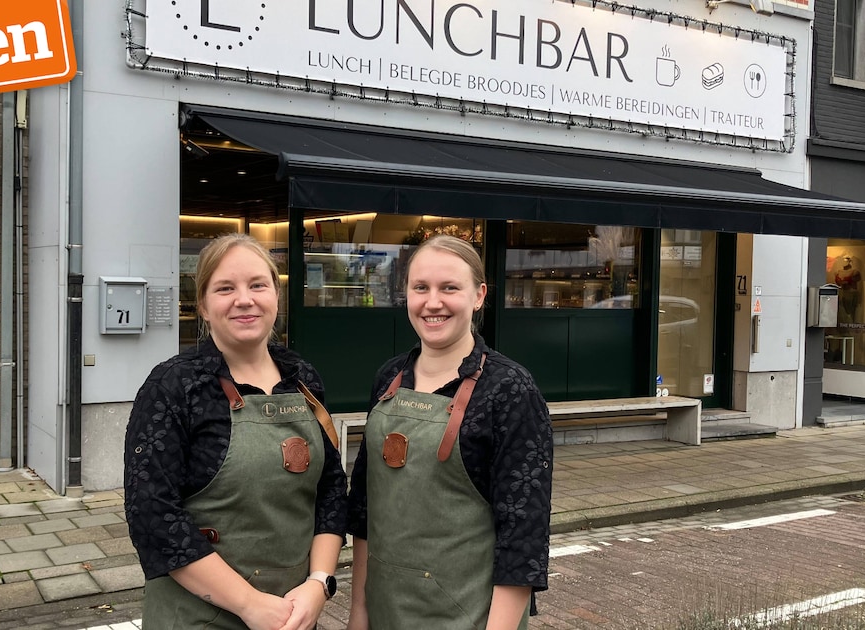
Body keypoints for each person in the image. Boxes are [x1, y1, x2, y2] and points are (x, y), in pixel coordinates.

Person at [125, 233, 347, 630]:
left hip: (293, 615)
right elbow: (153, 516)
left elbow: (330, 488)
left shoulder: (303, 378)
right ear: (205, 306)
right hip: (199, 614)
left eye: (257, 285)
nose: (244, 299)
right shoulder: (174, 386)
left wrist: (319, 584)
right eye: (225, 288)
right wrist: (248, 604)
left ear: (276, 297)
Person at [345, 234, 553, 630]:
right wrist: (359, 615)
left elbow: (523, 537)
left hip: (467, 616)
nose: (432, 302)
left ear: (479, 295)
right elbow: (364, 509)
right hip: (385, 611)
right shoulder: (389, 378)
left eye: (449, 288)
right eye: (420, 287)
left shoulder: (509, 389)